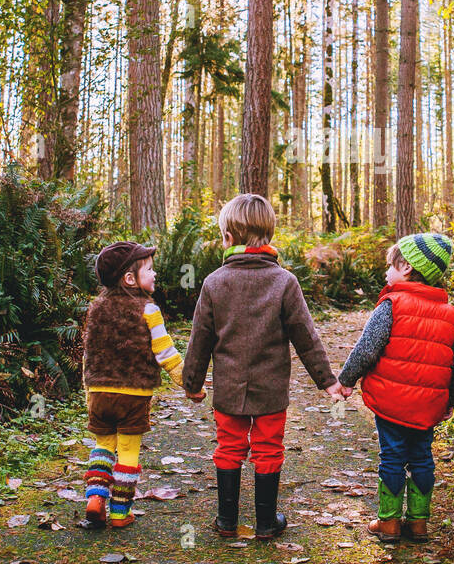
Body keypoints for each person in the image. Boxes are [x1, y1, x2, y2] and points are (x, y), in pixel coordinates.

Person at [183, 193, 344, 539]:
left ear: (228, 238)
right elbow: (306, 337)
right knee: (269, 449)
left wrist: (192, 382)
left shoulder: (214, 283)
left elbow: (200, 339)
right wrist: (327, 381)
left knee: (229, 447)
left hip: (228, 390)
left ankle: (227, 521)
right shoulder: (284, 281)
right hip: (271, 392)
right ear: (269, 237)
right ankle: (266, 523)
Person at [337, 233, 454, 543]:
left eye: (390, 266)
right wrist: (450, 401)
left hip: (391, 402)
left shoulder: (391, 304)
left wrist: (345, 380)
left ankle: (389, 523)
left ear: (405, 267)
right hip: (428, 405)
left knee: (392, 457)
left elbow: (367, 348)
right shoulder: (452, 315)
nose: (386, 272)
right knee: (422, 456)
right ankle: (418, 523)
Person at [80, 241, 198, 528]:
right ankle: (120, 512)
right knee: (129, 451)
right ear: (129, 279)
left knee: (103, 444)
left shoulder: (95, 309)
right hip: (133, 395)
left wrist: (88, 390)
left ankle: (95, 498)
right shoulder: (148, 310)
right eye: (149, 269)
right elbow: (166, 353)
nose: (155, 274)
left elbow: (87, 354)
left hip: (98, 393)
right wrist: (189, 384)